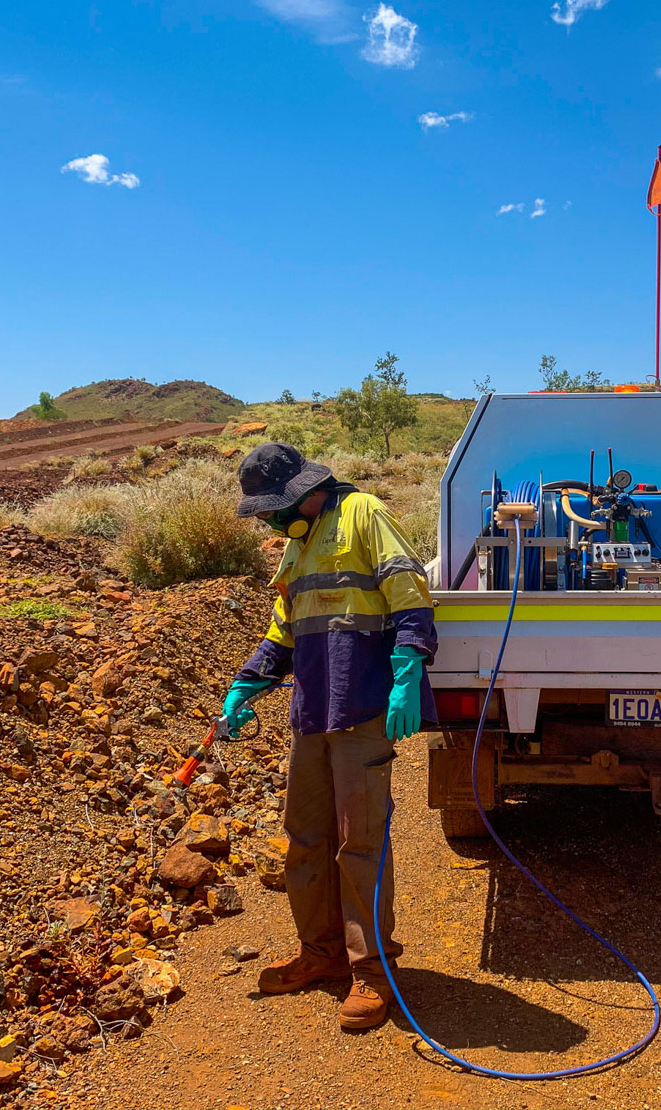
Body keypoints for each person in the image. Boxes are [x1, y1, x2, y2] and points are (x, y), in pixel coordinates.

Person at [223, 442, 436, 1031]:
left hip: (362, 707)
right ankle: (321, 954)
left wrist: (408, 668)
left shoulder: (363, 513)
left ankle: (372, 972)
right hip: (311, 711)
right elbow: (285, 628)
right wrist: (248, 682)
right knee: (305, 838)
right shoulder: (297, 544)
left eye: (273, 509)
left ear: (302, 493)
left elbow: (409, 593)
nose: (269, 521)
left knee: (359, 844)